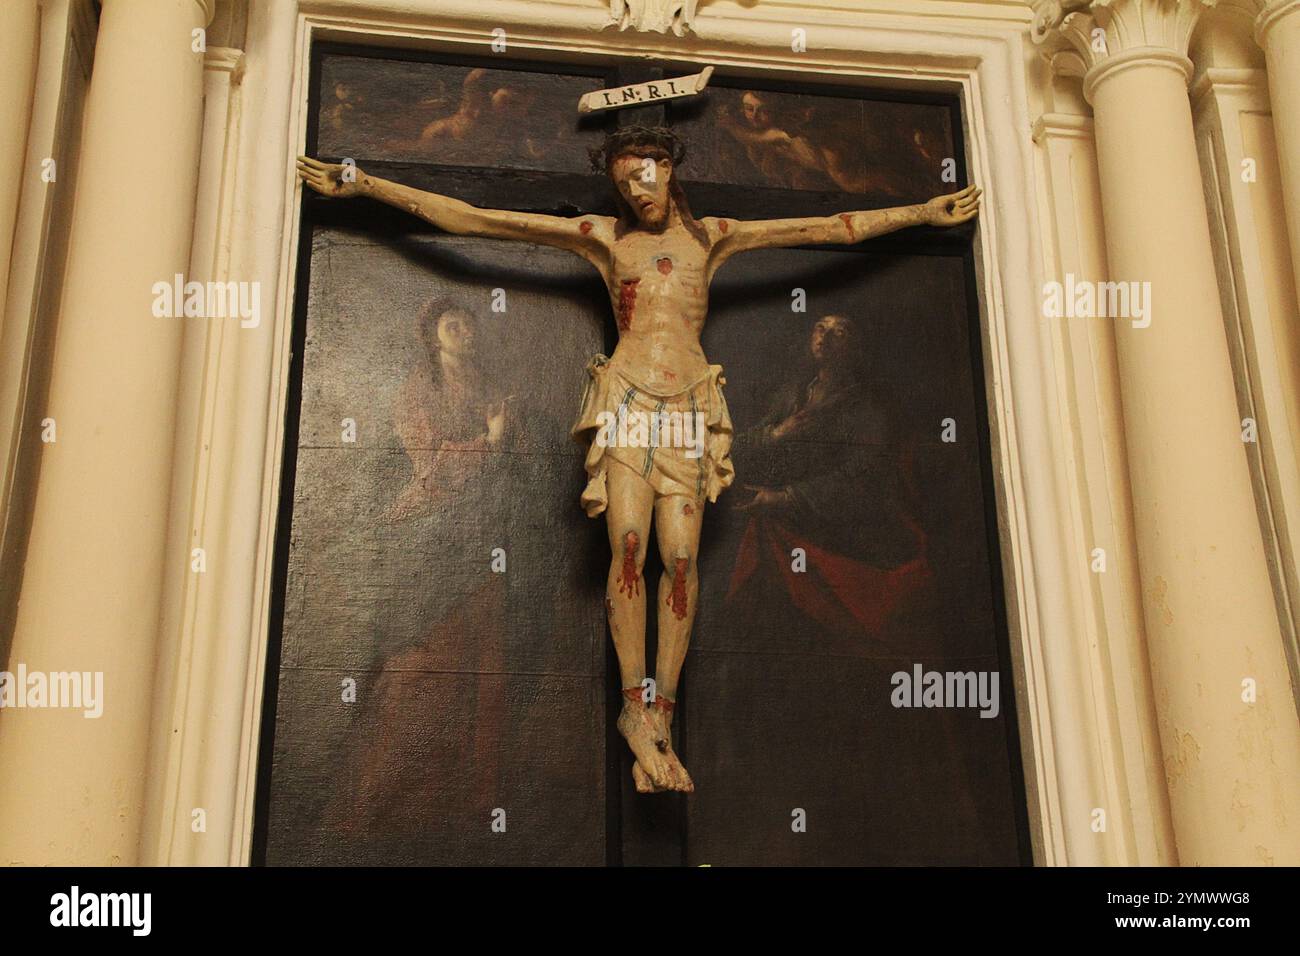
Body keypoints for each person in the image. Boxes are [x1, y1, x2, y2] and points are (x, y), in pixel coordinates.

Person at [296, 124, 981, 793]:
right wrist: (364, 182)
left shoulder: (713, 238)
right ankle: (632, 701)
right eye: (625, 182)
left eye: (647, 174)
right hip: (625, 401)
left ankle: (662, 717)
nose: (638, 190)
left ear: (669, 171)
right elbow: (475, 218)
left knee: (679, 558)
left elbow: (834, 227)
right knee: (628, 545)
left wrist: (925, 210)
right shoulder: (602, 239)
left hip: (686, 408)